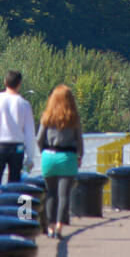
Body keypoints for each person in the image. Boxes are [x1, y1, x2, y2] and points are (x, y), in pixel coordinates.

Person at [35, 84, 84, 239]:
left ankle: (49, 227)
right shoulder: (73, 118)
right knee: (64, 196)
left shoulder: (47, 117)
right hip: (67, 157)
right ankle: (58, 227)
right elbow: (79, 140)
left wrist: (43, 152)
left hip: (49, 157)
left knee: (51, 194)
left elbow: (38, 139)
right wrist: (79, 156)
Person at [0, 70, 38, 187]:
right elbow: (29, 134)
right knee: (15, 185)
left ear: (5, 82)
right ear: (20, 84)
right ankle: (11, 204)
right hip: (17, 148)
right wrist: (29, 158)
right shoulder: (24, 104)